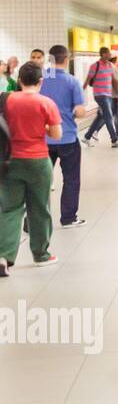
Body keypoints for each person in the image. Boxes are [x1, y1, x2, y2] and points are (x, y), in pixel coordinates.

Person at [0, 62, 62, 274]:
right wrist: (41, 127)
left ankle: (4, 256)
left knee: (9, 209)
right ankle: (41, 254)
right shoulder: (46, 103)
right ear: (40, 81)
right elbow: (56, 135)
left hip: (9, 161)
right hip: (38, 161)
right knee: (39, 208)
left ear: (19, 80)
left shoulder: (6, 100)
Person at [40, 45, 90, 229]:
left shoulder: (41, 79)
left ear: (50, 58)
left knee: (41, 181)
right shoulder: (72, 81)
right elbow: (80, 110)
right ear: (66, 59)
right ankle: (68, 218)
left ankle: (32, 222)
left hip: (43, 139)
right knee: (71, 178)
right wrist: (71, 114)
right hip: (67, 137)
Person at [81, 47, 118, 148]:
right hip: (99, 95)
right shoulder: (95, 66)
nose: (110, 55)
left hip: (108, 94)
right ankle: (114, 140)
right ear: (103, 54)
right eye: (108, 53)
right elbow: (88, 80)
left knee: (101, 116)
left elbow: (114, 81)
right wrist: (80, 93)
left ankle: (86, 137)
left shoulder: (110, 66)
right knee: (109, 116)